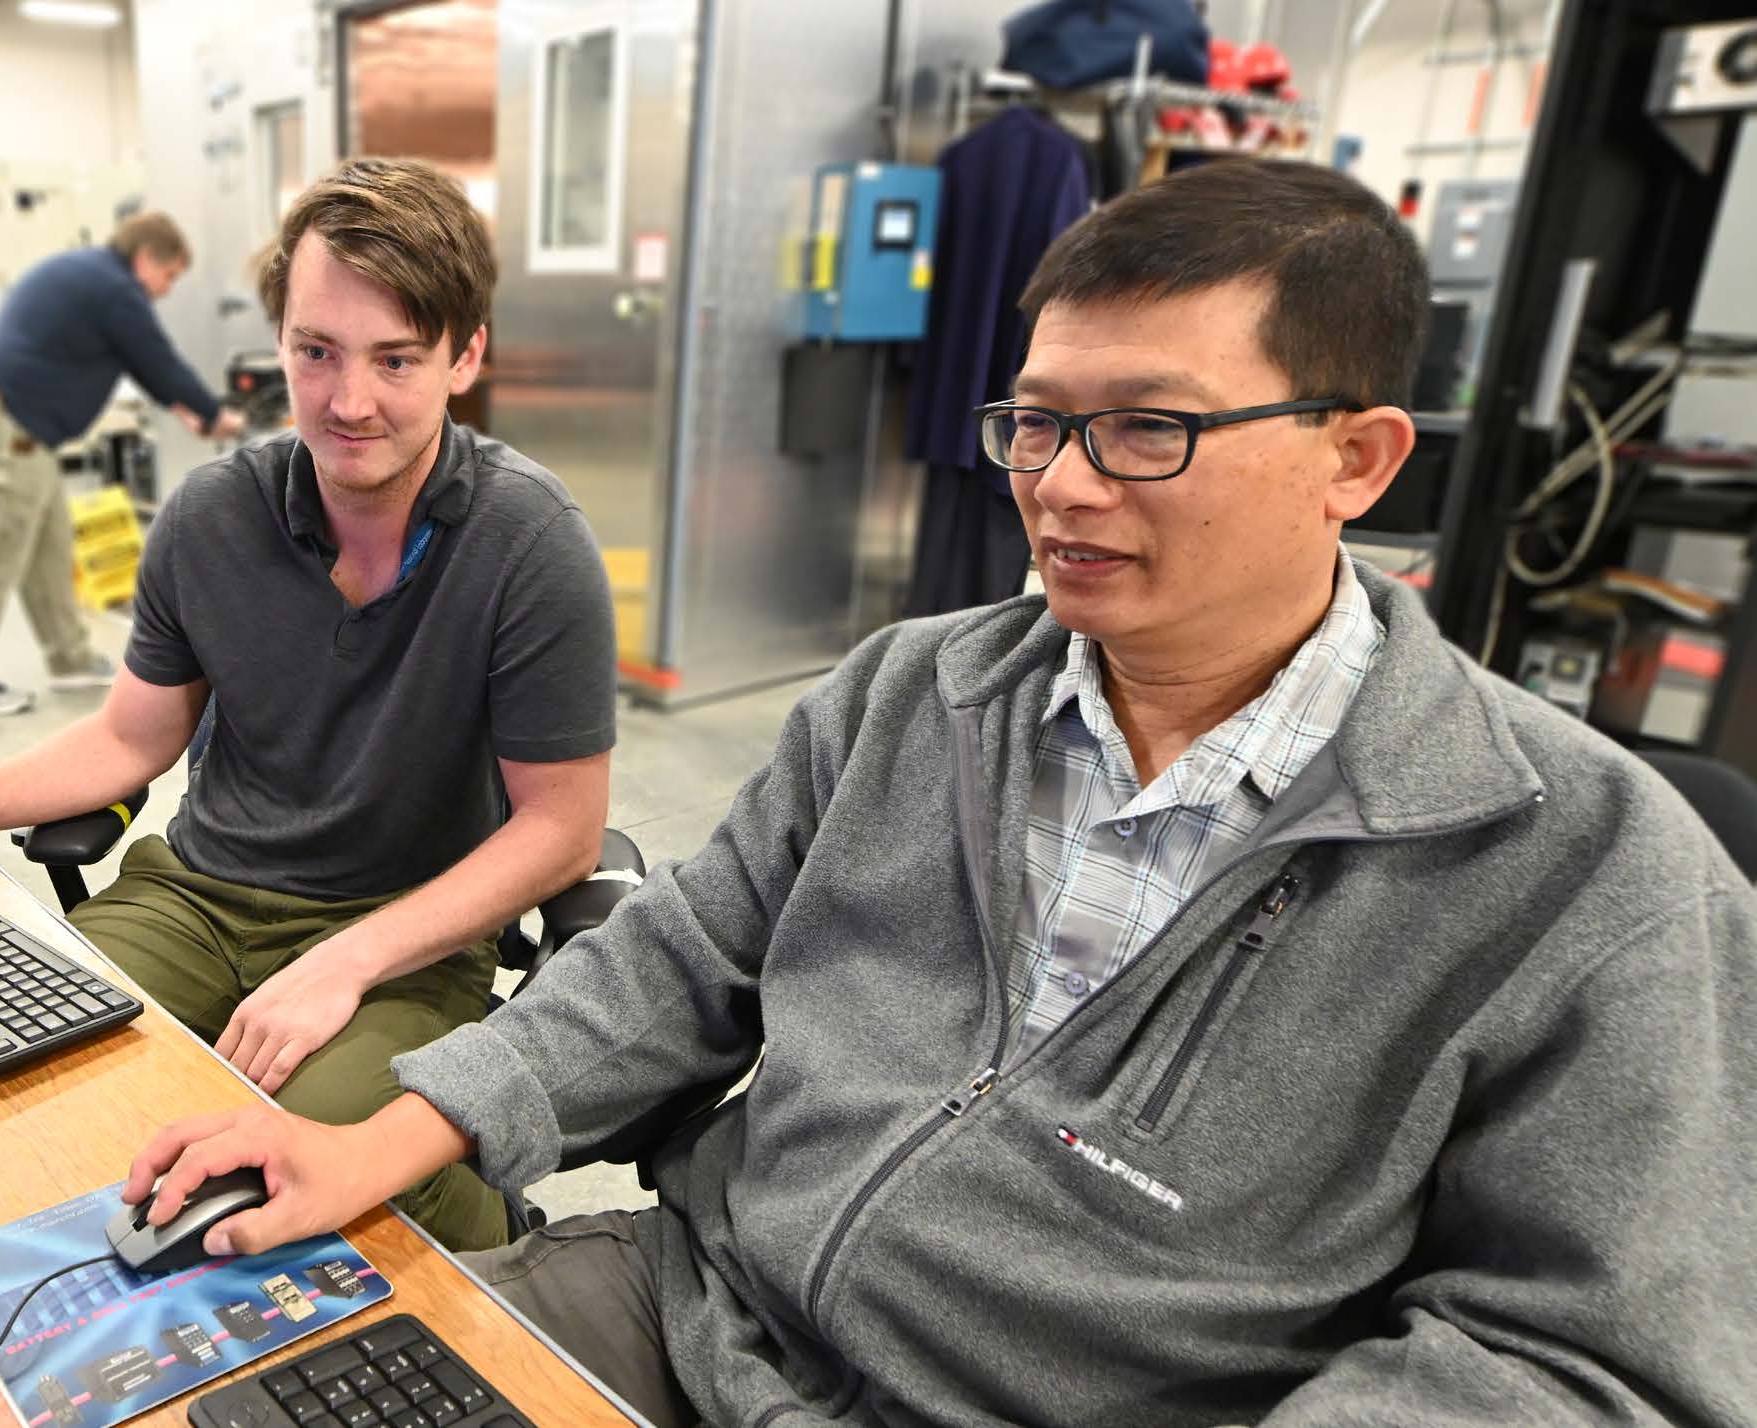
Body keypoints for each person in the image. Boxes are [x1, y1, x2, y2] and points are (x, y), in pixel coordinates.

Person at [120, 159, 1757, 1425]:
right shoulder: (917, 693)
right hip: (704, 1320)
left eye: (1144, 433)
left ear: (1355, 455)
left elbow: (1583, 1357)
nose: (1055, 483)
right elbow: (675, 958)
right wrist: (395, 1132)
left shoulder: (1579, 871)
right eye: (1035, 422)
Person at [0, 158, 619, 1254]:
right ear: (279, 342)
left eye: (396, 360)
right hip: (197, 896)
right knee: (13, 1076)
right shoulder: (212, 516)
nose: (349, 402)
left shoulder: (531, 545)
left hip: (399, 943)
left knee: (299, 1175)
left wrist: (343, 962)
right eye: (316, 353)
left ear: (466, 353)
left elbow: (562, 831)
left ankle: (495, 1244)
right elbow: (127, 737)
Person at [0, 211, 247, 716]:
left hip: (19, 429)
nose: (166, 291)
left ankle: (69, 659)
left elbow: (141, 366)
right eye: (168, 276)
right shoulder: (113, 288)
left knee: (50, 548)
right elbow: (156, 361)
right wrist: (216, 416)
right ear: (146, 257)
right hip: (5, 426)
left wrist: (189, 412)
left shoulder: (90, 275)